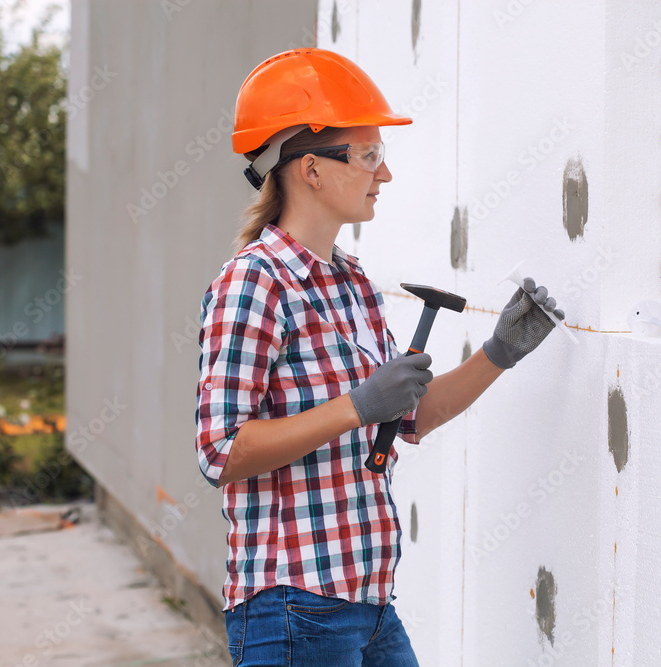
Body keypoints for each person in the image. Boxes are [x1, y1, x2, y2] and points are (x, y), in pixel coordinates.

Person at [195, 48, 565, 667]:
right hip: (291, 608)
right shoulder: (253, 284)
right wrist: (355, 405)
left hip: (367, 606)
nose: (383, 174)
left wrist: (499, 353)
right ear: (311, 170)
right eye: (368, 156)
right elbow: (220, 452)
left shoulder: (352, 282)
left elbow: (406, 419)